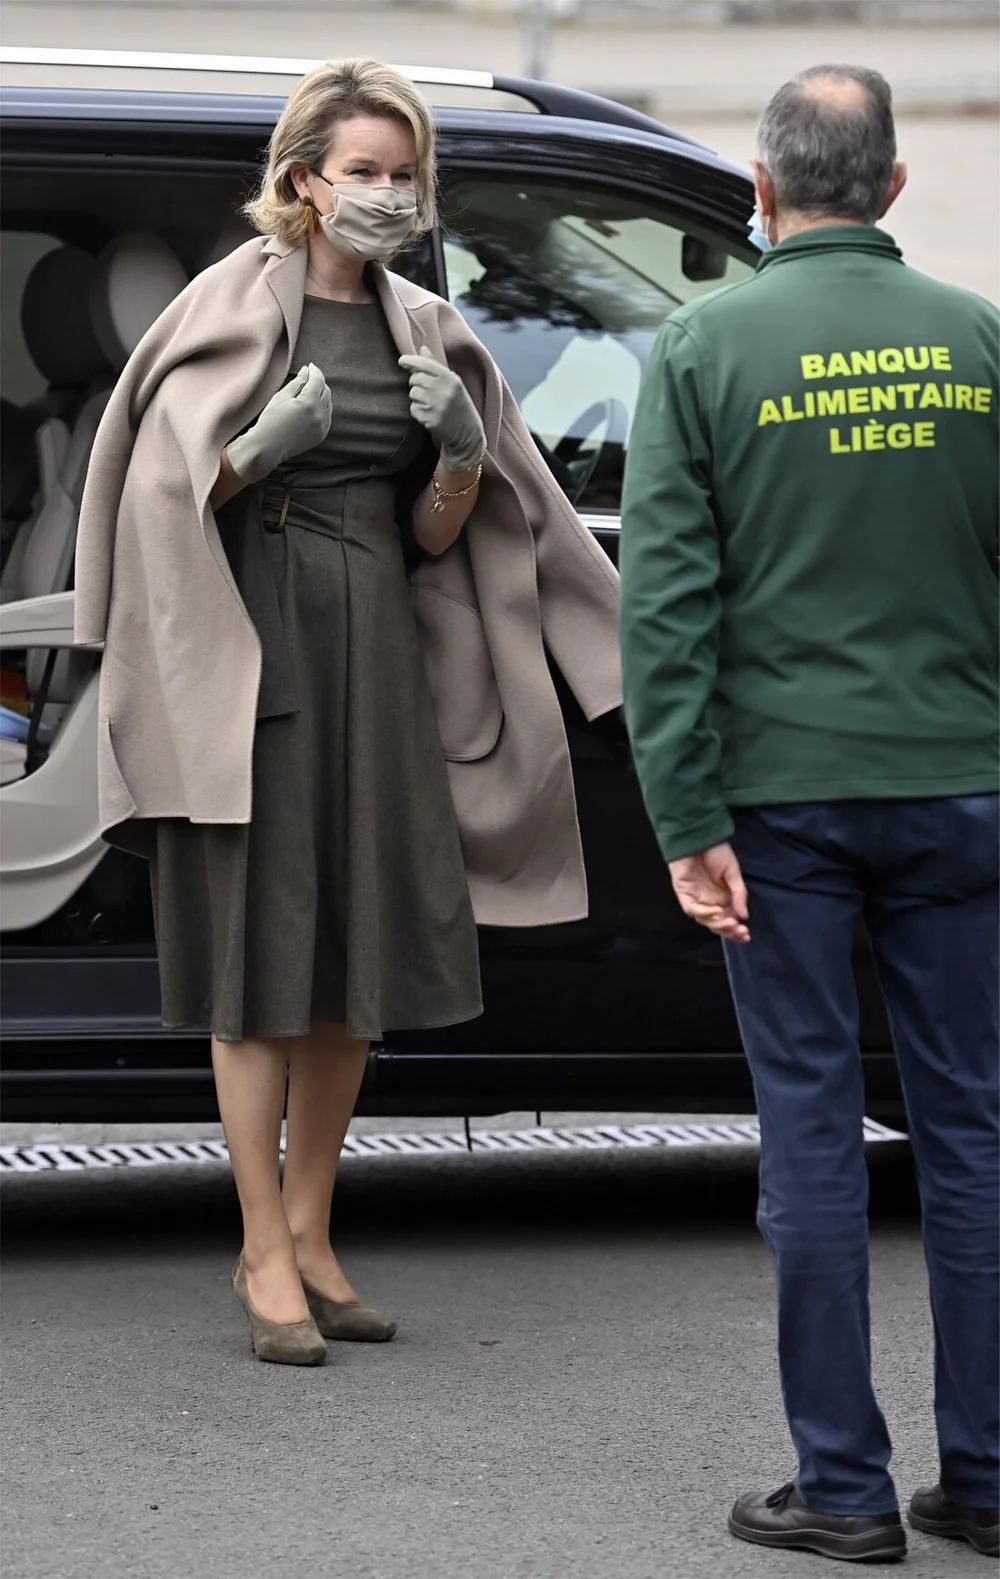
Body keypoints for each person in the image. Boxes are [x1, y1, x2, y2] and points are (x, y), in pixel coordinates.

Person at [75, 59, 621, 1366]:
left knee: (351, 972)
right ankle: (260, 1247)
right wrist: (250, 453)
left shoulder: (431, 331)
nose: (385, 193)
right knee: (258, 973)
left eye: (402, 173)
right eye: (361, 170)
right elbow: (160, 505)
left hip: (378, 656)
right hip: (245, 667)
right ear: (303, 181)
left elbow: (450, 539)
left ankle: (315, 1234)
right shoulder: (222, 308)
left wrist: (461, 456)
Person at [620, 64, 998, 1563]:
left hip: (777, 802)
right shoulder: (979, 340)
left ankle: (840, 1485)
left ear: (760, 194)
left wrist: (683, 812)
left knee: (814, 1137)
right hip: (962, 790)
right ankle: (982, 1476)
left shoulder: (706, 341)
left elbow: (666, 614)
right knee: (970, 1132)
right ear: (895, 187)